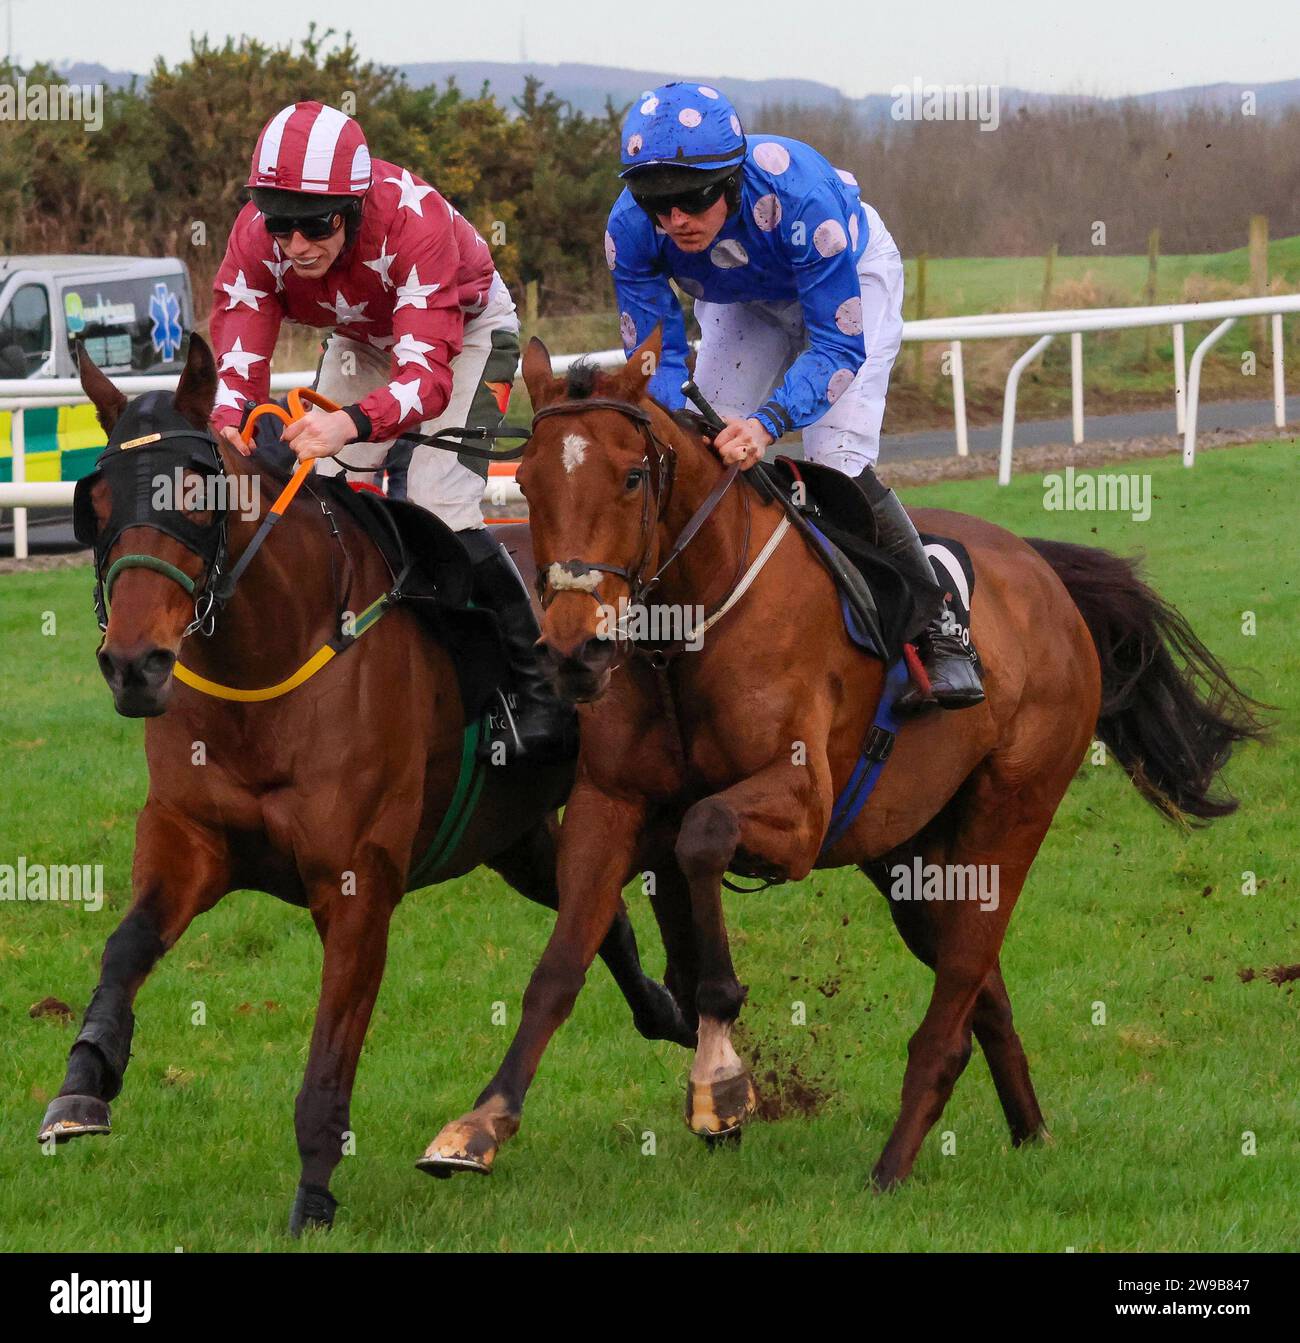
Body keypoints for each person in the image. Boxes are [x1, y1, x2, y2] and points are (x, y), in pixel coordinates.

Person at [208, 100, 570, 759]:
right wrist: (232, 415)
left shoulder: (414, 220)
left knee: (441, 503)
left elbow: (428, 381)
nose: (293, 246)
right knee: (308, 492)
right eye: (280, 226)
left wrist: (346, 422)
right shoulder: (257, 235)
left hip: (470, 337)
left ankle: (533, 685)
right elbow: (240, 330)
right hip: (365, 339)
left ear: (351, 206)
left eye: (313, 227)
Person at [607, 82, 983, 710]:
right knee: (701, 448)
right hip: (743, 299)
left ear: (730, 179)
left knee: (829, 461)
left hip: (846, 284)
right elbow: (657, 359)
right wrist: (701, 422)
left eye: (692, 200)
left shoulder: (799, 195)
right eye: (655, 202)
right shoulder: (629, 229)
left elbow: (837, 348)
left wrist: (767, 422)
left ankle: (939, 614)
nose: (674, 220)